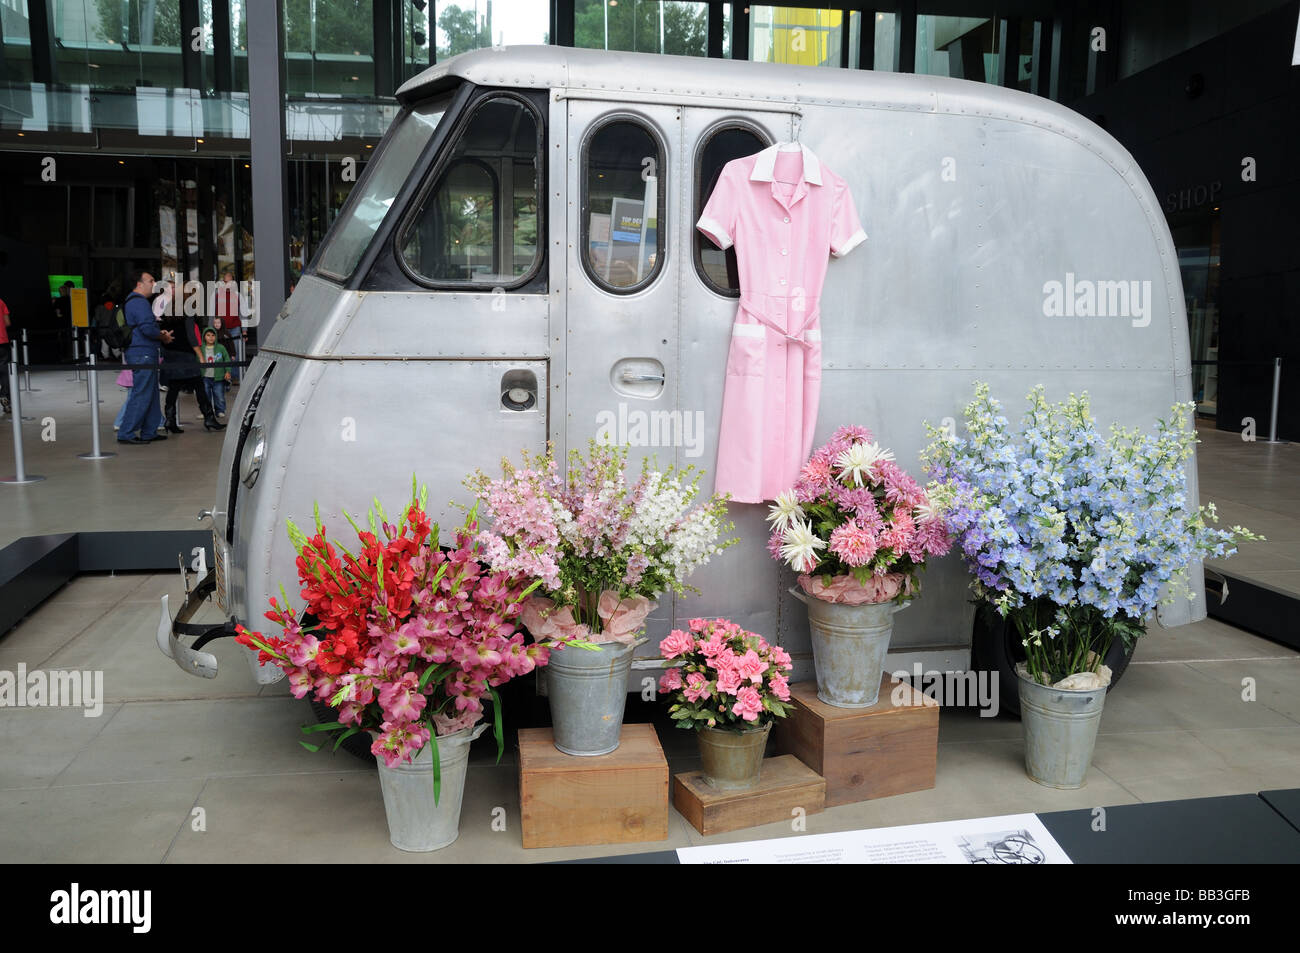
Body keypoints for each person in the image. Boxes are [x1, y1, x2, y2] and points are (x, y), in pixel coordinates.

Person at [116, 269, 173, 444]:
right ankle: (126, 432)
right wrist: (162, 336)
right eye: (150, 280)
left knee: (151, 393)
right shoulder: (139, 302)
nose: (154, 284)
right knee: (141, 393)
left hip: (144, 352)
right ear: (139, 284)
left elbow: (145, 327)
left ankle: (149, 431)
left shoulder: (135, 301)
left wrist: (158, 332)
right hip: (142, 353)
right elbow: (147, 328)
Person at [159, 290, 224, 434]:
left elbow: (161, 332)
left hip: (170, 355)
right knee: (199, 387)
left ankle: (170, 420)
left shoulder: (168, 314)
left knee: (173, 388)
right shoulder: (187, 314)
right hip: (185, 356)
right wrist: (200, 354)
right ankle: (209, 418)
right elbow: (191, 336)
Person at [213, 270, 246, 383]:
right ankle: (223, 375)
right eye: (225, 281)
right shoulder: (217, 295)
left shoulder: (237, 296)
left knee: (235, 352)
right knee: (221, 352)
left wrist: (244, 331)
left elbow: (243, 313)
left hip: (235, 327)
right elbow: (212, 313)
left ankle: (235, 376)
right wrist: (211, 329)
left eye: (230, 281)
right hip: (221, 328)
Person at [200, 326, 231, 418]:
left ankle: (220, 410)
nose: (211, 337)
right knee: (205, 396)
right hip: (205, 377)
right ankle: (206, 411)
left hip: (218, 377)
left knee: (219, 395)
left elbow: (227, 359)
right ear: (204, 337)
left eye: (213, 335)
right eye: (208, 335)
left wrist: (228, 371)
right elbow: (197, 361)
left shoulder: (221, 348)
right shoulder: (201, 348)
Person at [0, 294, 11, 416]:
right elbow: (7, 322)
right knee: (4, 373)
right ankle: (4, 398)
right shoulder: (1, 302)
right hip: (1, 342)